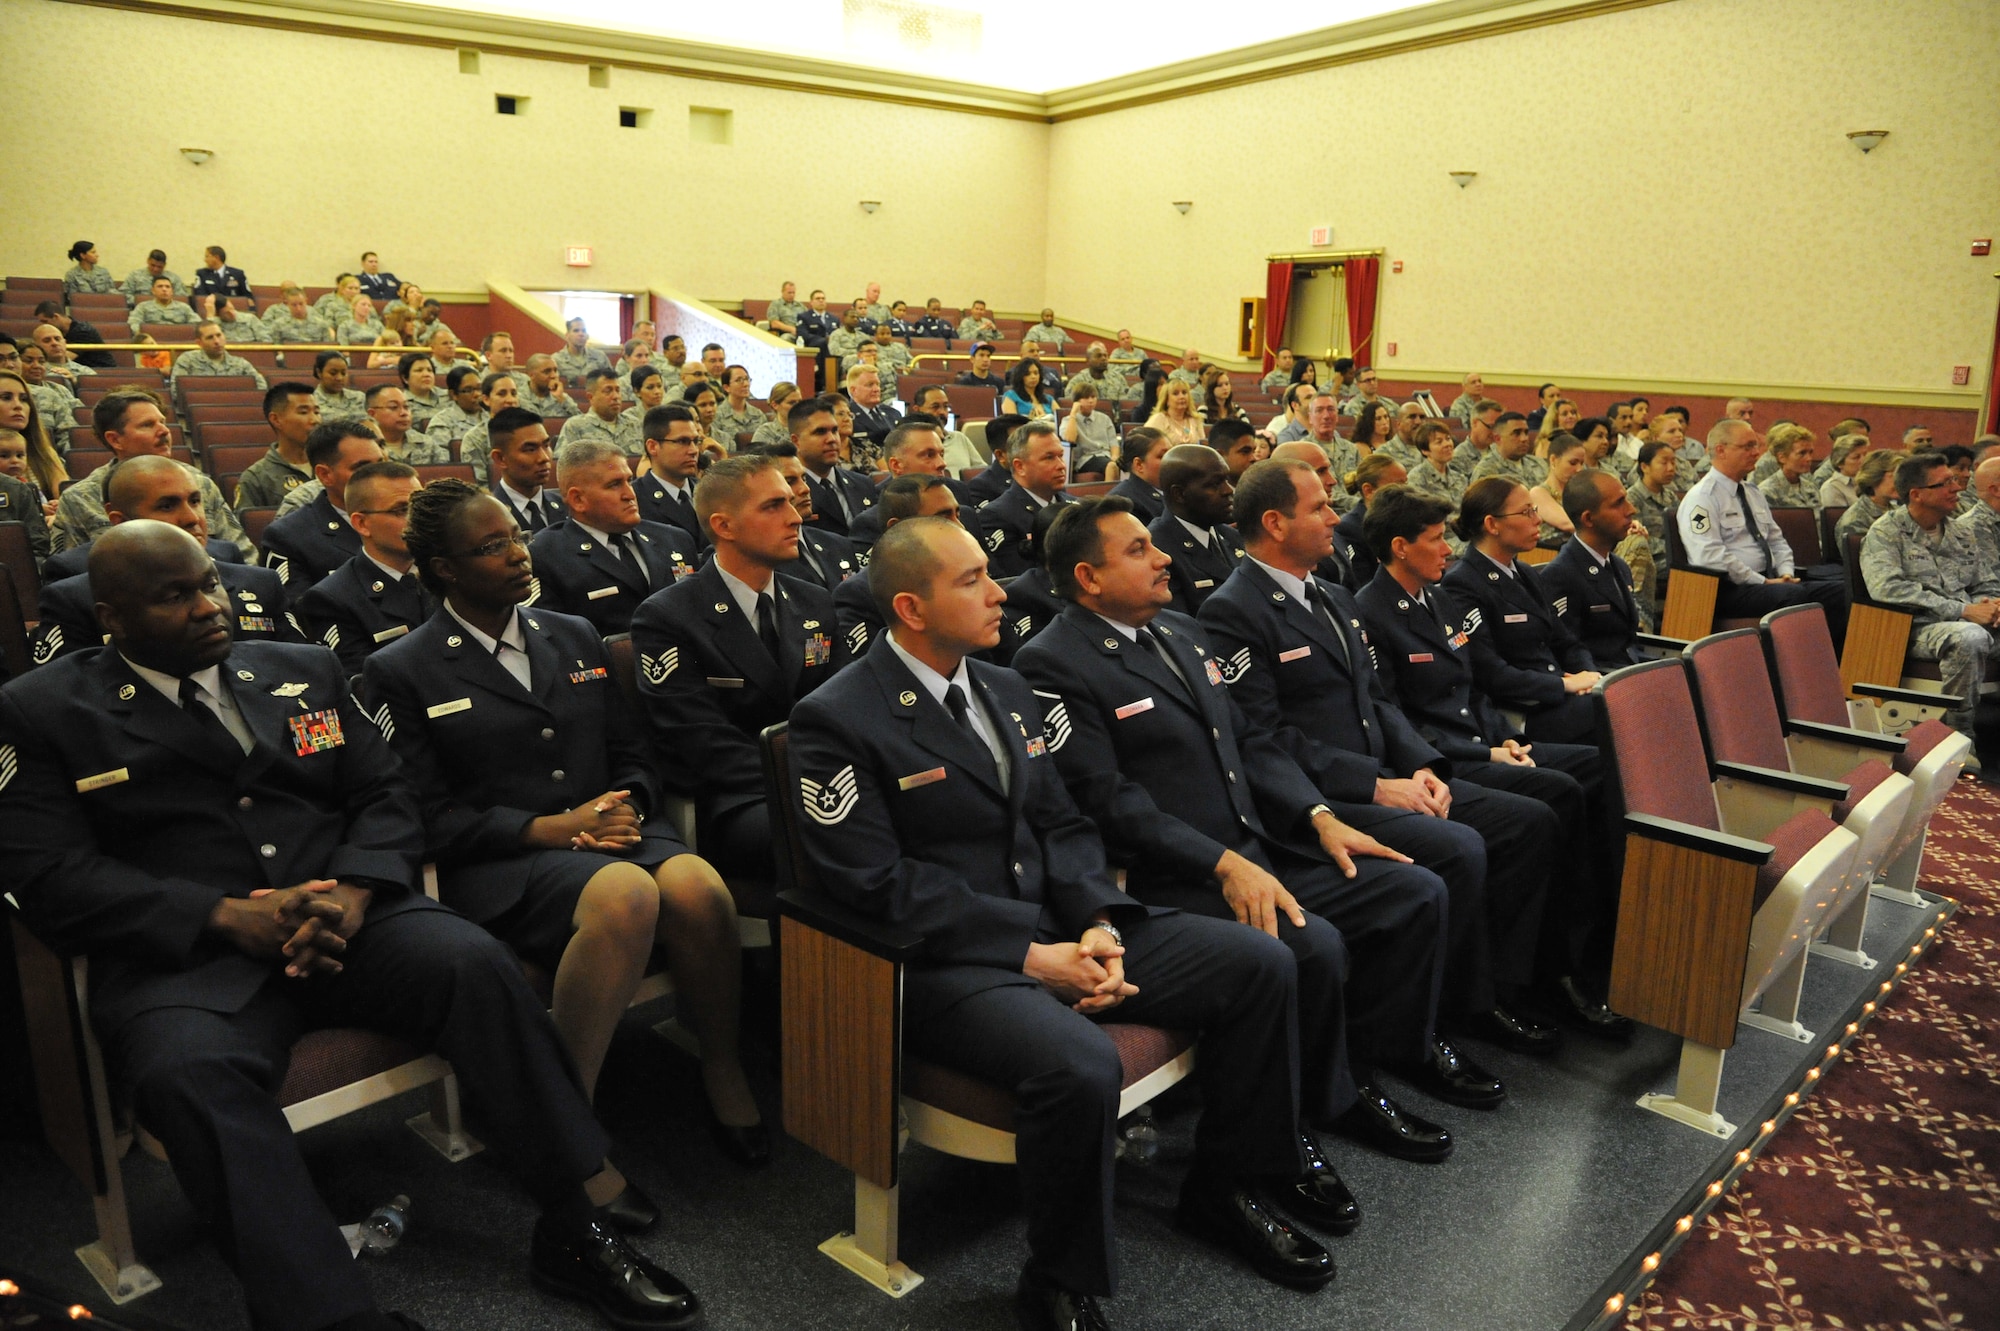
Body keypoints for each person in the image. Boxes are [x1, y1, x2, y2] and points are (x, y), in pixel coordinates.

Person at [1, 520, 705, 1331]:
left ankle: (573, 1219)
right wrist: (222, 914)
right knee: (187, 1076)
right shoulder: (42, 709)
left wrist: (360, 891)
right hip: (189, 961)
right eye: (174, 596)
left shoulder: (300, 668)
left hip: (353, 918)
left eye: (210, 584)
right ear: (110, 616)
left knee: (475, 964)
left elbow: (386, 795)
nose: (208, 607)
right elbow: (47, 871)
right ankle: (328, 1316)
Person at [788, 516, 1336, 1328]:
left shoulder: (1003, 685)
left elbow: (1065, 824)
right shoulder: (836, 718)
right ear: (910, 606)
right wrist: (1031, 952)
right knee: (1082, 1065)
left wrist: (1100, 921)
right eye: (971, 579)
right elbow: (876, 884)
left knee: (1262, 963)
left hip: (1062, 921)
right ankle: (1057, 1279)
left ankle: (1226, 1188)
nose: (1000, 590)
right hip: (951, 960)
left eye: (989, 571)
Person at [1017, 494, 1463, 1170]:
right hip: (1177, 875)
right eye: (1138, 549)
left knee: (1411, 892)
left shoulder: (1181, 630)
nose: (1164, 555)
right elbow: (1109, 801)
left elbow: (1251, 741)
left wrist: (1319, 817)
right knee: (1311, 945)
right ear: (1088, 578)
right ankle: (1309, 1115)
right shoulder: (1052, 662)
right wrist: (1222, 862)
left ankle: (1359, 1073)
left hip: (1260, 844)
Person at [366, 477, 766, 1166]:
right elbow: (420, 814)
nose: (520, 555)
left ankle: (721, 1060)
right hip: (504, 862)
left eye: (517, 538)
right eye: (494, 547)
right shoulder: (400, 668)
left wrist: (627, 805)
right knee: (627, 893)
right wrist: (547, 828)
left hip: (610, 830)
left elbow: (635, 751)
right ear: (444, 569)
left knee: (701, 888)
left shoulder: (574, 633)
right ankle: (565, 1114)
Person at [1201, 459, 1584, 1049]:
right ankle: (1441, 1020)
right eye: (1319, 508)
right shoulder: (1232, 610)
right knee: (1461, 846)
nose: (1336, 517)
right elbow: (1266, 737)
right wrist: (1376, 785)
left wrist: (1424, 765)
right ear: (1275, 523)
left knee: (1528, 820)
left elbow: (1377, 701)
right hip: (1321, 796)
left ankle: (1505, 985)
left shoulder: (1329, 594)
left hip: (1385, 773)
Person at [1356, 484, 1624, 1035]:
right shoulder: (1372, 611)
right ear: (1401, 547)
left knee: (1593, 775)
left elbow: (1472, 684)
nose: (1447, 549)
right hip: (1440, 758)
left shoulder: (1437, 599)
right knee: (1552, 801)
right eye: (1435, 540)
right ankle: (1525, 973)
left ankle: (1583, 944)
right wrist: (1481, 750)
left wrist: (1500, 738)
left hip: (1480, 740)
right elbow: (1395, 713)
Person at [630, 454, 849, 878]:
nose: (795, 518)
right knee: (845, 834)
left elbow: (843, 704)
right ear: (724, 526)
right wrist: (805, 780)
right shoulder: (668, 617)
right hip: (741, 798)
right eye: (773, 506)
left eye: (790, 501)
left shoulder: (813, 600)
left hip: (827, 779)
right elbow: (700, 742)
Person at [34, 454, 301, 663]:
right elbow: (68, 698)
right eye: (167, 506)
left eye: (195, 501)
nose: (191, 518)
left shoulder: (259, 583)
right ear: (120, 521)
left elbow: (301, 667)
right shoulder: (76, 598)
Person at [1440, 479, 1603, 744]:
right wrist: (1563, 685)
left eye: (1535, 509)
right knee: (1619, 714)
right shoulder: (1463, 583)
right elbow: (1489, 673)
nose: (1538, 520)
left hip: (1558, 697)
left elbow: (1567, 642)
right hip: (1522, 712)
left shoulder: (1525, 573)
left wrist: (1590, 678)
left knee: (1624, 702)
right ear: (1492, 524)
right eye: (1527, 512)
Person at [1860, 453, 1999, 748]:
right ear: (1917, 494)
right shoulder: (1886, 532)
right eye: (1945, 482)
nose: (1957, 487)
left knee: (1974, 629)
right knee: (1970, 637)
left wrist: (1992, 607)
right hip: (1912, 628)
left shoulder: (1961, 531)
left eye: (1954, 480)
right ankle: (1957, 736)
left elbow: (1983, 581)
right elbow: (1887, 588)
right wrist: (1963, 611)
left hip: (1961, 620)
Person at [1679, 418, 1848, 637]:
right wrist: (1763, 581)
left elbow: (1776, 540)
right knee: (1793, 596)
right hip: (1729, 589)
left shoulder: (1751, 492)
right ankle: (1790, 666)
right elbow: (1708, 556)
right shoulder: (1702, 498)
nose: (1756, 453)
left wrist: (1785, 572)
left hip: (1771, 582)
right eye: (1747, 446)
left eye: (1756, 446)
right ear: (1721, 450)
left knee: (1841, 591)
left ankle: (1832, 664)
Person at [53, 389, 253, 560]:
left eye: (163, 422)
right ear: (115, 440)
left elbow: (242, 555)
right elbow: (71, 571)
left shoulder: (200, 483)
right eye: (148, 425)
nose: (164, 431)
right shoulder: (79, 498)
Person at [528, 438, 699, 635]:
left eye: (629, 481)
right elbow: (551, 639)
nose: (629, 494)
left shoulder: (674, 540)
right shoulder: (546, 556)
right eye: (614, 485)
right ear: (578, 499)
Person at [293, 461, 435, 673]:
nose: (419, 519)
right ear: (362, 524)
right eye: (402, 510)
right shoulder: (332, 599)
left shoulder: (449, 572)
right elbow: (364, 684)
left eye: (422, 507)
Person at [832, 473, 962, 655]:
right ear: (897, 526)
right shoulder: (860, 595)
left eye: (957, 514)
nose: (960, 527)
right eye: (943, 518)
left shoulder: (967, 575)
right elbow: (875, 666)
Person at [1539, 468, 1653, 671]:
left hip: (1628, 670)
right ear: (1588, 519)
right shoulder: (1561, 576)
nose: (1631, 510)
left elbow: (1626, 642)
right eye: (1618, 504)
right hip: (1601, 684)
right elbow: (1568, 653)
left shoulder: (1618, 566)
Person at [260, 421, 385, 592]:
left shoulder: (407, 519)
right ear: (325, 474)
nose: (379, 474)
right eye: (362, 468)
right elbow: (297, 610)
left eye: (381, 463)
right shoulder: (290, 537)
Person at [841, 417, 964, 553]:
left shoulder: (961, 494)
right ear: (897, 465)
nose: (942, 463)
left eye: (941, 454)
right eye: (929, 455)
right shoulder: (873, 518)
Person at [1150, 444, 1245, 615]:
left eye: (1227, 480)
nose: (1228, 490)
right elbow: (1181, 629)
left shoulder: (1232, 536)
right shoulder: (1158, 551)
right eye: (1214, 484)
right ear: (1179, 494)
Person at [792, 395, 880, 538]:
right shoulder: (790, 492)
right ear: (796, 441)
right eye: (820, 432)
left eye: (834, 431)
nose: (832, 439)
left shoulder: (863, 484)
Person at [235, 383, 322, 511]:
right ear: (276, 420)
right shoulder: (256, 479)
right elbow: (250, 527)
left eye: (317, 412)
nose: (315, 420)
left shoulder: (333, 465)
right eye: (303, 412)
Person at [633, 405, 707, 548]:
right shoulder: (635, 499)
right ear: (653, 446)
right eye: (682, 442)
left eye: (695, 441)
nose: (693, 450)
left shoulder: (709, 492)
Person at [1835, 449, 1906, 561]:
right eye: (1894, 475)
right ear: (1874, 477)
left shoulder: (1899, 512)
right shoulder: (1855, 521)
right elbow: (1869, 563)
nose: (1901, 481)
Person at [1527, 434, 1590, 547]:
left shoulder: (1580, 494)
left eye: (1581, 463)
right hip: (1548, 555)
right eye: (1573, 463)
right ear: (1553, 460)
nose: (1579, 469)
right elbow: (1567, 524)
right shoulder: (1537, 493)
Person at [170, 319, 268, 391]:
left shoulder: (240, 363)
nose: (217, 341)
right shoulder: (187, 360)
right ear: (199, 342)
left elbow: (261, 387)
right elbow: (176, 391)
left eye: (219, 335)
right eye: (210, 338)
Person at [1758, 423, 1824, 512]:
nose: (1809, 458)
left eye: (1810, 452)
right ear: (1782, 457)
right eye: (1802, 453)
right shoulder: (1768, 492)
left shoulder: (1810, 487)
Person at [1109, 427, 1170, 521]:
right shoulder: (1125, 503)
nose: (1171, 460)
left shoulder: (1175, 491)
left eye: (1171, 454)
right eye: (1162, 456)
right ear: (1139, 464)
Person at [1061, 383, 1121, 477]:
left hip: (1106, 456)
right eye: (1086, 398)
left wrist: (1115, 457)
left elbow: (1113, 442)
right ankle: (1110, 492)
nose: (1091, 401)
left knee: (1123, 465)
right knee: (1112, 466)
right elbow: (1070, 439)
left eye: (1093, 397)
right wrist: (1073, 414)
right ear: (1076, 401)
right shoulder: (1068, 420)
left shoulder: (1104, 418)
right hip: (1085, 459)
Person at [844, 364, 901, 457]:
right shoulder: (847, 417)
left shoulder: (893, 413)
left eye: (877, 384)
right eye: (870, 385)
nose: (876, 389)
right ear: (854, 390)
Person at [711, 365, 767, 445]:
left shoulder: (758, 414)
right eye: (739, 380)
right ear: (727, 387)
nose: (746, 384)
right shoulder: (717, 415)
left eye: (747, 379)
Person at [189, 245, 254, 310]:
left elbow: (248, 297)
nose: (205, 260)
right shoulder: (202, 274)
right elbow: (199, 296)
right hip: (211, 310)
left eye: (207, 256)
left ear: (216, 257)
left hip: (234, 311)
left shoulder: (237, 274)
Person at [128, 276, 200, 334]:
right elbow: (133, 323)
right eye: (160, 286)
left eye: (167, 287)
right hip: (152, 342)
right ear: (153, 291)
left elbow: (197, 324)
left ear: (172, 291)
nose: (164, 289)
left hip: (178, 340)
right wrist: (143, 336)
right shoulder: (143, 307)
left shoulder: (184, 307)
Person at [118, 249, 186, 306]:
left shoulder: (173, 278)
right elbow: (123, 295)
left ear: (165, 265)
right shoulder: (135, 276)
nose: (155, 269)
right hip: (140, 309)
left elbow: (181, 298)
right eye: (152, 265)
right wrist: (141, 301)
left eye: (159, 267)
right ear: (148, 261)